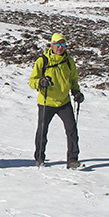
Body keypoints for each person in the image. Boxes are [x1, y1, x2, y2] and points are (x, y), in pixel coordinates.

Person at [29, 33, 84, 168]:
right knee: (42, 131)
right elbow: (32, 81)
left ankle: (72, 160)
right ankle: (40, 158)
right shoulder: (43, 61)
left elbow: (73, 80)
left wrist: (76, 92)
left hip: (64, 102)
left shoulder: (69, 61)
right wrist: (41, 82)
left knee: (72, 130)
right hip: (46, 102)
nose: (60, 47)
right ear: (52, 45)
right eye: (57, 44)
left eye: (63, 44)